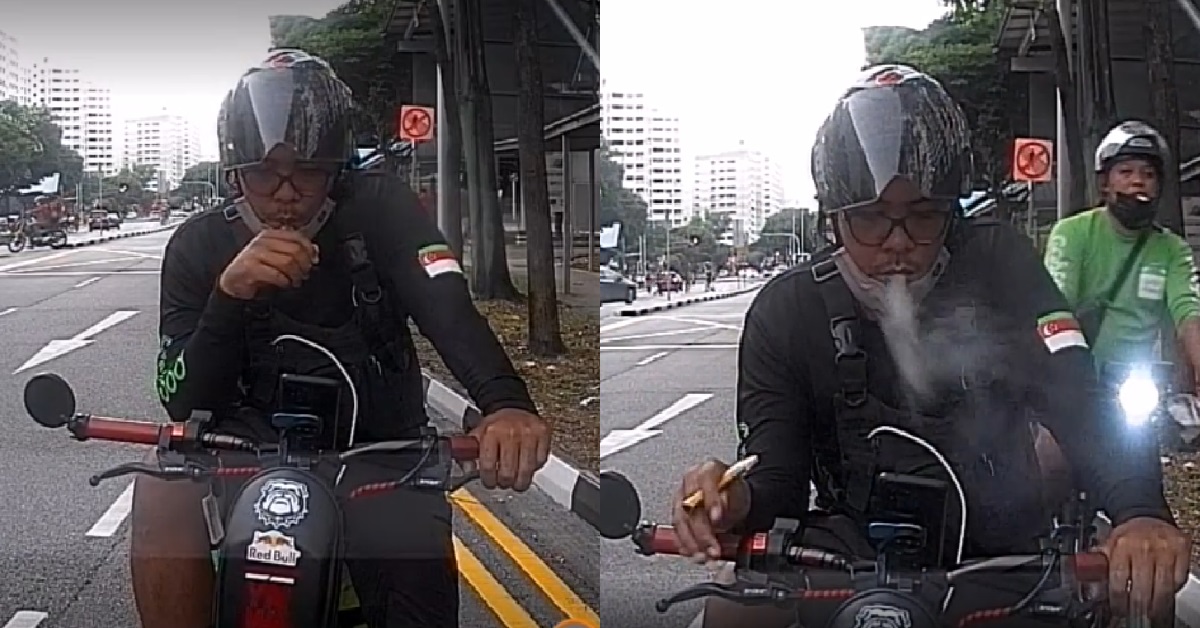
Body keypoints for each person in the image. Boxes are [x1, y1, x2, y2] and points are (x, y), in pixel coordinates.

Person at [670, 65, 1191, 628]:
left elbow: (1080, 398)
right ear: (832, 219)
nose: (899, 244)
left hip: (1004, 547)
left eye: (923, 215)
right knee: (730, 611)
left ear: (954, 214)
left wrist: (1140, 510)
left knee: (1138, 607)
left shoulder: (1002, 267)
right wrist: (731, 499)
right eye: (871, 218)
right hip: (847, 552)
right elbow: (778, 477)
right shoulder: (785, 313)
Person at [135, 49, 552, 628]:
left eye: (306, 169)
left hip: (380, 455)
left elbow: (446, 304)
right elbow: (179, 395)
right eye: (264, 172)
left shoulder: (381, 210)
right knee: (162, 487)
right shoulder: (196, 247)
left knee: (417, 572)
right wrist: (229, 296)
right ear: (233, 174)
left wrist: (505, 402)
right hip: (239, 456)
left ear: (338, 167)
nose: (285, 192)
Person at [1043, 120, 1200, 381]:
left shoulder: (1173, 249)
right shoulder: (1071, 232)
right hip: (1076, 377)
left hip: (1138, 385)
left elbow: (1188, 311)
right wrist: (1065, 371)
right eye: (1126, 172)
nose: (1138, 181)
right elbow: (1057, 304)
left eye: (1148, 175)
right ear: (1105, 183)